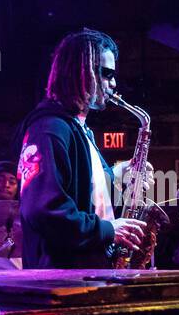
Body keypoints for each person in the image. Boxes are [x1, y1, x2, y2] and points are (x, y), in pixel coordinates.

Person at [15, 28, 148, 268]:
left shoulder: (79, 129)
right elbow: (42, 210)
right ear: (80, 71)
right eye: (106, 74)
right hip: (63, 279)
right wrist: (108, 230)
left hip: (88, 272)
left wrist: (118, 176)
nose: (113, 83)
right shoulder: (50, 129)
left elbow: (88, 197)